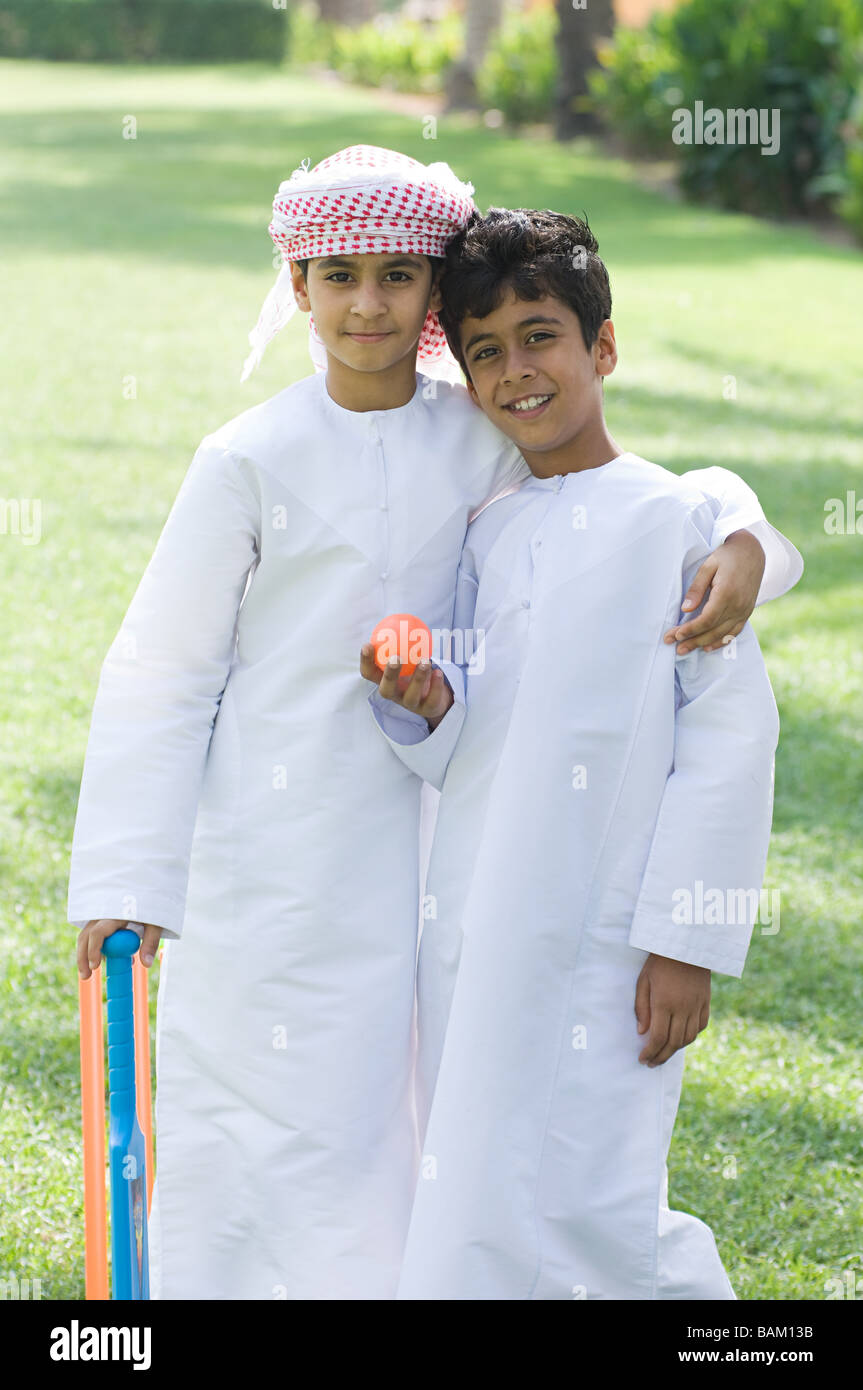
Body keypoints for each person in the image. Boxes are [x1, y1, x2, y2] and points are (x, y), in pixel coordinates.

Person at [69, 145, 792, 1302]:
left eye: (398, 273)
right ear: (295, 284)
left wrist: (750, 535)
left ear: (428, 301)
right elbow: (162, 671)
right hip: (275, 858)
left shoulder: (480, 432)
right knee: (266, 1107)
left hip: (455, 860)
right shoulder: (247, 458)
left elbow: (643, 497)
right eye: (337, 272)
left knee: (419, 1126)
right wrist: (126, 875)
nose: (366, 301)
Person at [361, 207, 803, 1300]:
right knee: (477, 1173)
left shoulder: (674, 520)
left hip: (609, 940)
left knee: (597, 1187)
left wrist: (683, 940)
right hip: (476, 917)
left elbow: (731, 739)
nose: (515, 370)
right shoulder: (486, 531)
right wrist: (421, 701)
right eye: (483, 351)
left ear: (600, 346)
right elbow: (462, 735)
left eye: (538, 335)